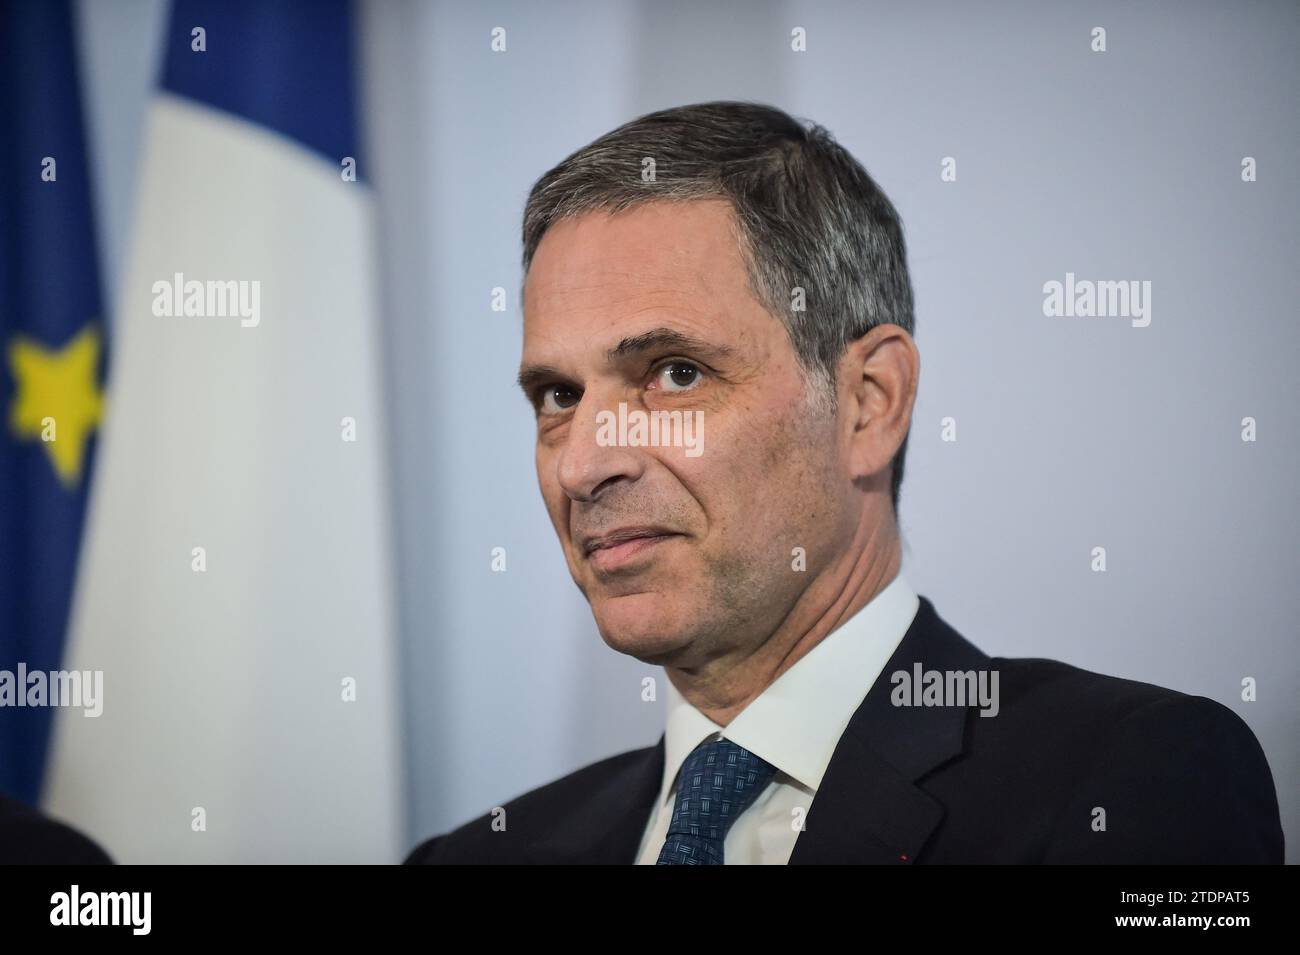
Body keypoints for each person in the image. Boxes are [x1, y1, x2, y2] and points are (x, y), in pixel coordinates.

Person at [406, 102, 1283, 864]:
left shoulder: (1131, 781)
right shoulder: (479, 852)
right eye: (558, 395)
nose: (584, 462)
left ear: (869, 403)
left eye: (674, 373)